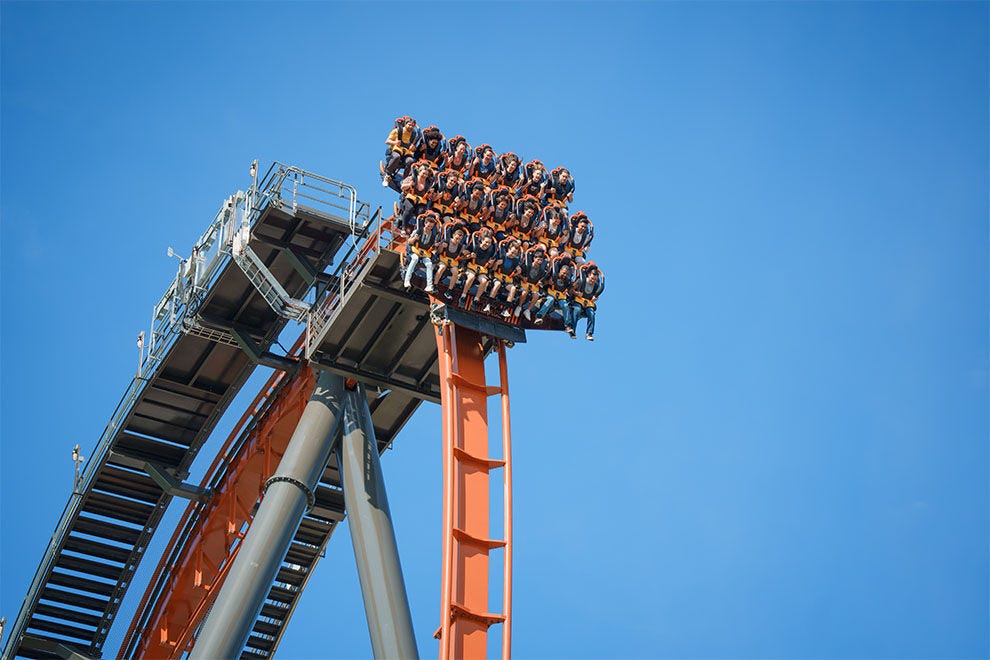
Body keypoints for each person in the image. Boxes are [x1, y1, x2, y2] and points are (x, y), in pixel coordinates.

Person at [402, 211, 441, 293]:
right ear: (425, 223)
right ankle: (407, 280)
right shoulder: (418, 231)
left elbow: (431, 246)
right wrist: (414, 239)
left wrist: (436, 245)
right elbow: (409, 242)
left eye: (431, 227)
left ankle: (429, 285)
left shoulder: (433, 235)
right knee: (415, 259)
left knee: (429, 264)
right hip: (414, 252)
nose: (429, 228)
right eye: (428, 226)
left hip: (424, 254)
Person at [459, 228, 498, 308]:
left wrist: (491, 263)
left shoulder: (491, 251)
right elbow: (462, 257)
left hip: (482, 270)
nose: (487, 244)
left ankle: (476, 299)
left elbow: (490, 267)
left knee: (484, 281)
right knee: (471, 277)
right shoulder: (474, 246)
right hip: (471, 267)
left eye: (489, 243)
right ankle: (463, 296)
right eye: (486, 242)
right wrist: (469, 256)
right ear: (482, 240)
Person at [534, 252, 576, 326]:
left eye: (566, 274)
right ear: (560, 271)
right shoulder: (553, 272)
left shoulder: (567, 279)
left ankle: (568, 324)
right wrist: (548, 282)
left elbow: (570, 289)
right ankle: (539, 316)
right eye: (563, 273)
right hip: (550, 293)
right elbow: (543, 282)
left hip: (560, 296)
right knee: (550, 300)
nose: (564, 275)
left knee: (565, 305)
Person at [397, 162, 437, 233]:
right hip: (410, 197)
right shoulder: (412, 178)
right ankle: (403, 227)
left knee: (421, 213)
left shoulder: (428, 183)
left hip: (421, 201)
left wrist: (431, 193)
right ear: (419, 172)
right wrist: (409, 185)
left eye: (426, 174)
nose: (424, 175)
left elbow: (430, 197)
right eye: (423, 173)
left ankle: (417, 229)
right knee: (410, 208)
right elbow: (402, 187)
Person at [487, 238, 523, 316]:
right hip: (497, 277)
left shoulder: (515, 261)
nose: (513, 255)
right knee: (497, 284)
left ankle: (505, 309)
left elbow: (513, 274)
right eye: (512, 252)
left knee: (513, 288)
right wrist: (496, 264)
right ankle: (488, 304)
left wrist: (517, 272)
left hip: (506, 280)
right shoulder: (501, 255)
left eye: (515, 254)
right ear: (508, 249)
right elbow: (492, 269)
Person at [569, 261, 605, 340]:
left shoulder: (595, 285)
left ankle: (589, 333)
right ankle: (572, 329)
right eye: (592, 278)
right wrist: (576, 293)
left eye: (595, 279)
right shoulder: (581, 281)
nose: (593, 281)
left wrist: (595, 297)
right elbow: (570, 290)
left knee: (591, 313)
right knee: (577, 310)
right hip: (578, 300)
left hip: (587, 303)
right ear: (588, 275)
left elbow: (595, 295)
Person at [514, 245, 550, 321]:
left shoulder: (542, 270)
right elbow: (518, 273)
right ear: (534, 258)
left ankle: (528, 310)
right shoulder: (527, 265)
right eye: (538, 260)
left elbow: (543, 280)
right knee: (524, 293)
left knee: (536, 296)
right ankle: (519, 307)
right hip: (524, 283)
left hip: (533, 285)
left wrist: (541, 282)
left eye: (541, 260)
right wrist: (522, 277)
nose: (540, 262)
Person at [435, 220, 470, 296]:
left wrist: (466, 257)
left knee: (455, 272)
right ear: (454, 235)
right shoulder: (446, 241)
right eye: (458, 236)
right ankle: (435, 285)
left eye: (460, 238)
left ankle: (449, 290)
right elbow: (438, 252)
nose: (459, 239)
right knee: (442, 267)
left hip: (452, 262)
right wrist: (441, 246)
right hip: (443, 259)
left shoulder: (461, 246)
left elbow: (459, 258)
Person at [383, 116, 420, 185]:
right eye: (409, 125)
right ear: (405, 124)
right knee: (397, 157)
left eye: (412, 126)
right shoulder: (397, 131)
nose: (411, 127)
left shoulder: (413, 135)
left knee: (410, 161)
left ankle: (405, 179)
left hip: (406, 153)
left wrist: (413, 148)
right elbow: (387, 141)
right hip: (396, 150)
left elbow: (414, 148)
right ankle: (388, 174)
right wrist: (395, 142)